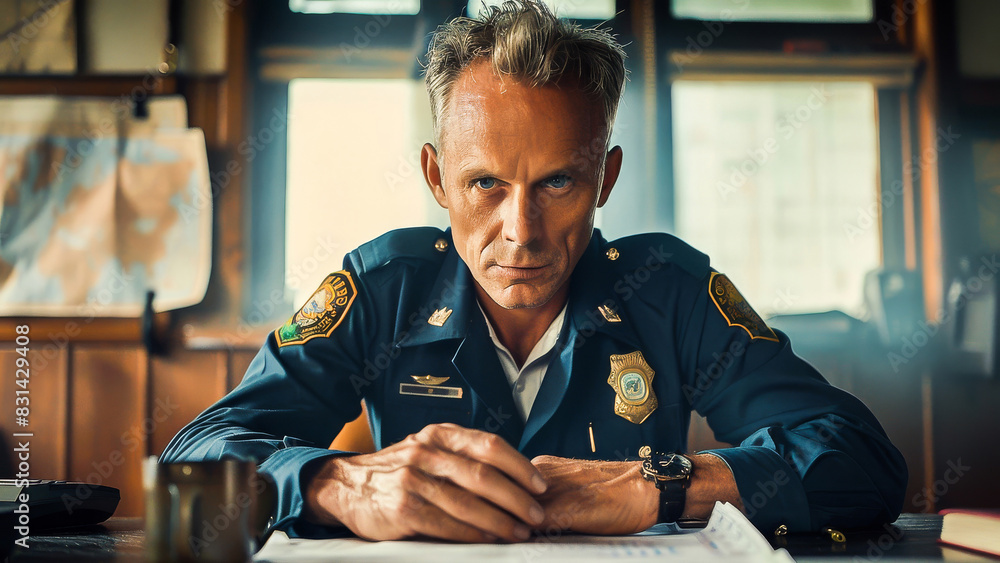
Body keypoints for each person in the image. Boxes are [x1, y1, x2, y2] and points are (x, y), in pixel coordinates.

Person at [161, 0, 907, 543]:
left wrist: (659, 484)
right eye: (485, 184)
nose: (520, 232)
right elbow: (192, 464)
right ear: (437, 178)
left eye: (558, 183)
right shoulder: (384, 286)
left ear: (605, 179)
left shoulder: (668, 288)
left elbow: (862, 459)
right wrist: (341, 481)